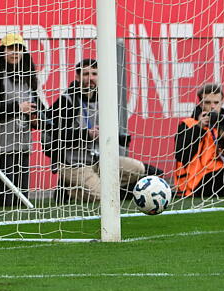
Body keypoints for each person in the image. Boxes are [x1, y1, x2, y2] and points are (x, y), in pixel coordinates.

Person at [40, 59, 151, 202]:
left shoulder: (103, 100)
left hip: (98, 160)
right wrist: (86, 134)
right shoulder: (66, 101)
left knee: (138, 169)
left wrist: (118, 138)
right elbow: (51, 132)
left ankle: (94, 185)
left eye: (94, 74)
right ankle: (68, 191)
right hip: (73, 164)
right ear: (77, 77)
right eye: (86, 74)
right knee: (102, 196)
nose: (90, 78)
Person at [0, 33, 45, 207]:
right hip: (1, 144)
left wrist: (36, 119)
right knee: (5, 200)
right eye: (10, 48)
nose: (15, 52)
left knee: (22, 198)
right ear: (2, 51)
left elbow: (38, 106)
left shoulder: (28, 77)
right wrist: (18, 108)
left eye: (19, 49)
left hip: (23, 142)